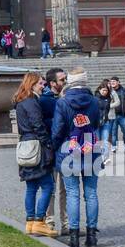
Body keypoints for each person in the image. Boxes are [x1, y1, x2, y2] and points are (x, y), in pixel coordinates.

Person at [51, 69, 102, 247]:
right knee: (91, 193)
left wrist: (55, 146)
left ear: (70, 82)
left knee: (72, 193)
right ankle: (91, 234)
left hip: (69, 148)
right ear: (85, 81)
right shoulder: (94, 101)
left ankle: (73, 235)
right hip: (90, 147)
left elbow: (58, 129)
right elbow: (96, 123)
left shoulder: (63, 102)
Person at [14, 72, 57, 237]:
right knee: (48, 185)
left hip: (25, 143)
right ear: (32, 84)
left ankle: (30, 222)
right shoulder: (31, 101)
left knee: (31, 186)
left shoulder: (20, 101)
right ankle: (39, 221)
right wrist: (48, 143)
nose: (43, 86)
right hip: (36, 144)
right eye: (40, 83)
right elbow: (37, 124)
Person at [41, 68, 70, 237]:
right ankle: (50, 222)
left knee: (66, 190)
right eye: (62, 80)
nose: (65, 82)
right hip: (52, 149)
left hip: (66, 150)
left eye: (65, 79)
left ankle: (66, 224)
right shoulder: (45, 101)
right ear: (52, 83)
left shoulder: (67, 99)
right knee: (50, 188)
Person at [95, 80, 118, 148]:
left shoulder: (108, 99)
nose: (105, 92)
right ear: (99, 90)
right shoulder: (94, 99)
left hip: (106, 121)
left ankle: (105, 157)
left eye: (106, 91)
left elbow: (108, 109)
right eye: (103, 90)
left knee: (105, 140)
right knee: (98, 140)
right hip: (96, 122)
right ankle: (99, 156)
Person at [111, 77, 125, 148]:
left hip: (123, 115)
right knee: (113, 132)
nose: (112, 83)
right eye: (111, 81)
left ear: (118, 82)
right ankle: (114, 146)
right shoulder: (109, 91)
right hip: (112, 115)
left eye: (114, 81)